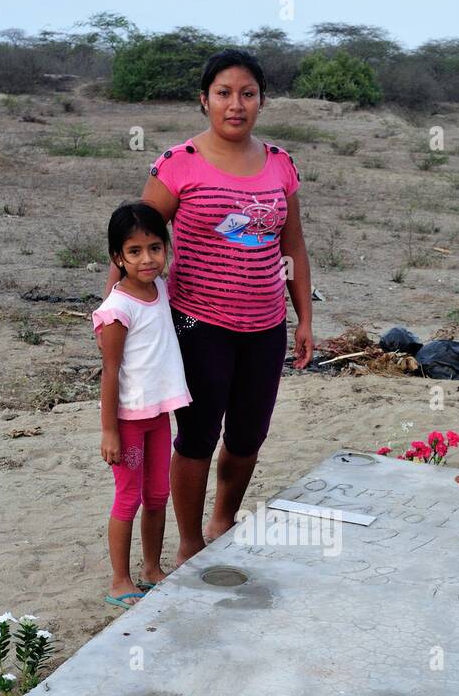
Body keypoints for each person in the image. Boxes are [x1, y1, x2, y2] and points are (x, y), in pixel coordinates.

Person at [106, 47, 314, 564]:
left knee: (248, 435)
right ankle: (189, 542)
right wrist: (117, 317)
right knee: (198, 437)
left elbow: (294, 247)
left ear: (261, 101)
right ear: (204, 101)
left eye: (247, 93)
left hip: (266, 326)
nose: (236, 104)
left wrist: (304, 317)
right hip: (199, 324)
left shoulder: (281, 165)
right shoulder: (179, 165)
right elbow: (133, 243)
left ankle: (223, 522)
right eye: (224, 93)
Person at [93, 202, 191, 607]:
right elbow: (110, 372)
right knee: (128, 497)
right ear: (118, 257)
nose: (147, 259)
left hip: (158, 416)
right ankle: (120, 580)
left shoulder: (160, 289)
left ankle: (151, 569)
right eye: (134, 252)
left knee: (157, 494)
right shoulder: (117, 311)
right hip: (130, 421)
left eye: (155, 247)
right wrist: (110, 431)